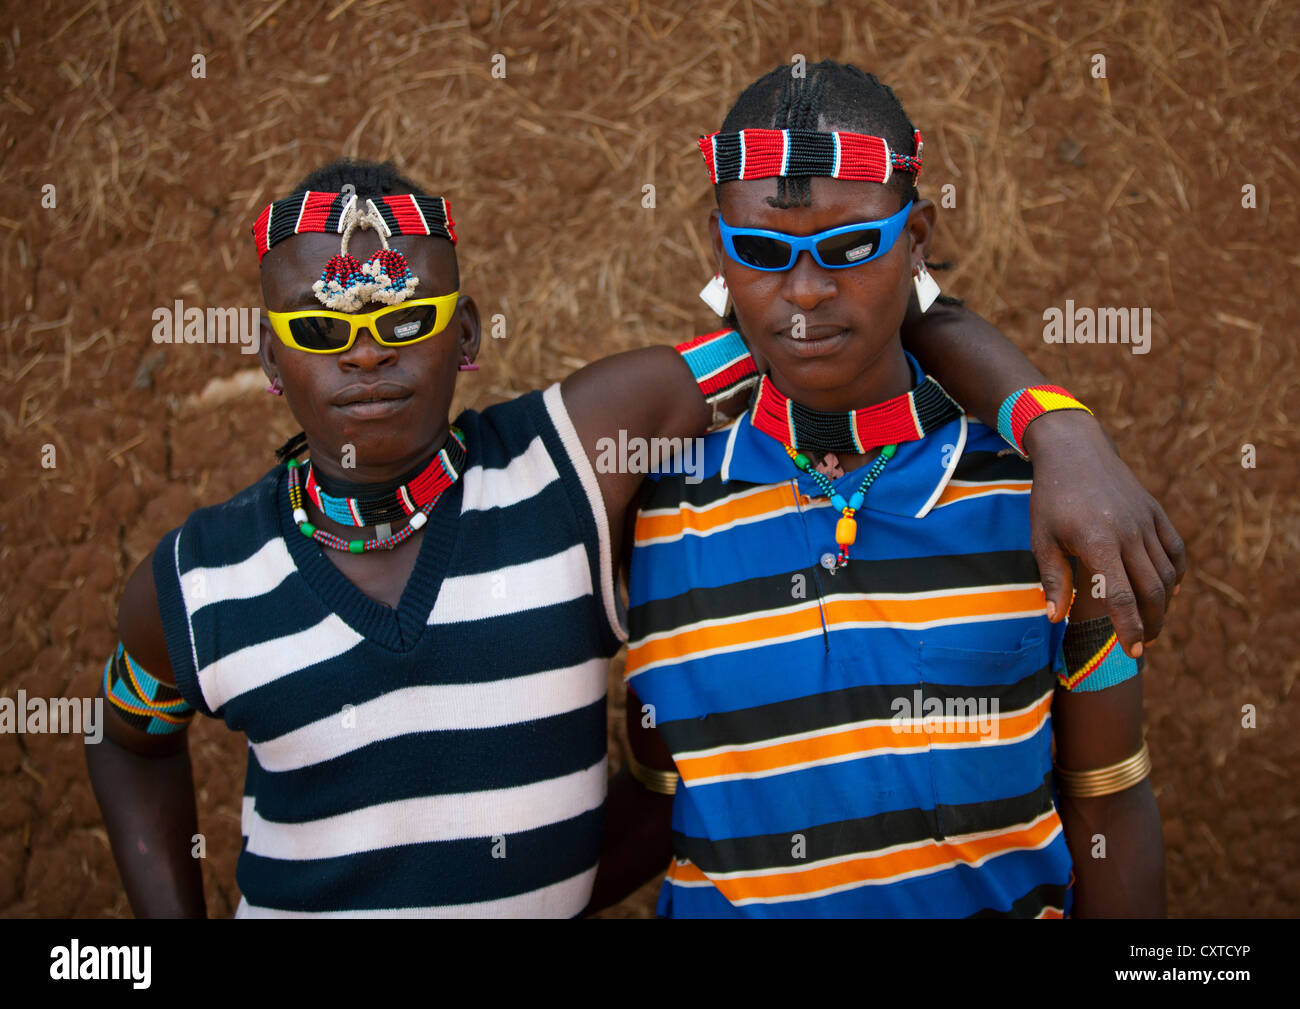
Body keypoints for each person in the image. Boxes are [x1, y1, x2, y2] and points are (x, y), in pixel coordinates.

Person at [85, 143, 1178, 916]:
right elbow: (127, 743)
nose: (365, 354)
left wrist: (1057, 429)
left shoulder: (568, 461)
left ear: (464, 335)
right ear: (271, 361)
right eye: (321, 330)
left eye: (403, 321)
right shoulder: (198, 577)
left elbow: (836, 313)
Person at [616, 61, 1168, 917]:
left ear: (918, 237)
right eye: (761, 253)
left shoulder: (1050, 501)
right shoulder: (656, 510)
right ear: (716, 247)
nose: (805, 292)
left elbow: (1107, 795)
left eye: (849, 248)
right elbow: (663, 801)